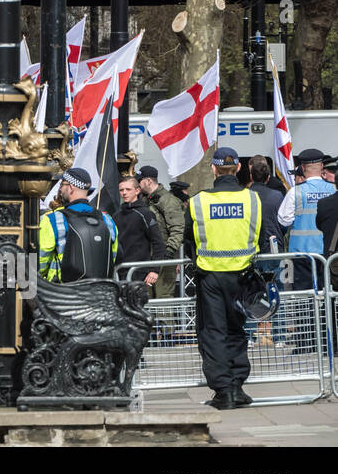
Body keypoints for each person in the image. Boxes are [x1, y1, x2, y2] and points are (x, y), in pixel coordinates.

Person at [187, 148, 261, 409]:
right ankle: (237, 385)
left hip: (211, 276)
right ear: (239, 168)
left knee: (214, 333)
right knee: (237, 330)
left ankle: (224, 390)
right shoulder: (252, 199)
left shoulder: (198, 201)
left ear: (214, 169)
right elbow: (259, 236)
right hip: (243, 275)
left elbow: (189, 240)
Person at [38, 168, 118, 283]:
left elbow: (41, 260)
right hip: (99, 292)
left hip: (62, 292)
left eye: (62, 185)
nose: (60, 189)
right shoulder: (108, 220)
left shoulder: (52, 219)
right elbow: (112, 256)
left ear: (71, 187)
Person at [276, 148, 335, 295]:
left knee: (304, 297)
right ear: (322, 166)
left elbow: (283, 220)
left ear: (303, 168)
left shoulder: (295, 192)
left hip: (301, 255)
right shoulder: (334, 189)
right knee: (328, 295)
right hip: (329, 252)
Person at [137, 164, 187, 298]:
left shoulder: (168, 200)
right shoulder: (145, 200)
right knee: (148, 301)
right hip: (149, 257)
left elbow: (178, 229)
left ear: (148, 181)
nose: (138, 184)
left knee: (163, 301)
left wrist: (169, 253)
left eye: (139, 181)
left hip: (164, 258)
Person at [115, 176, 165, 289]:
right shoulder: (116, 215)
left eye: (128, 189)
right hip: (118, 272)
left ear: (137, 191)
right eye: (121, 190)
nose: (124, 193)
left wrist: (154, 270)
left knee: (137, 305)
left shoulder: (146, 214)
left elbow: (159, 243)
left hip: (139, 272)